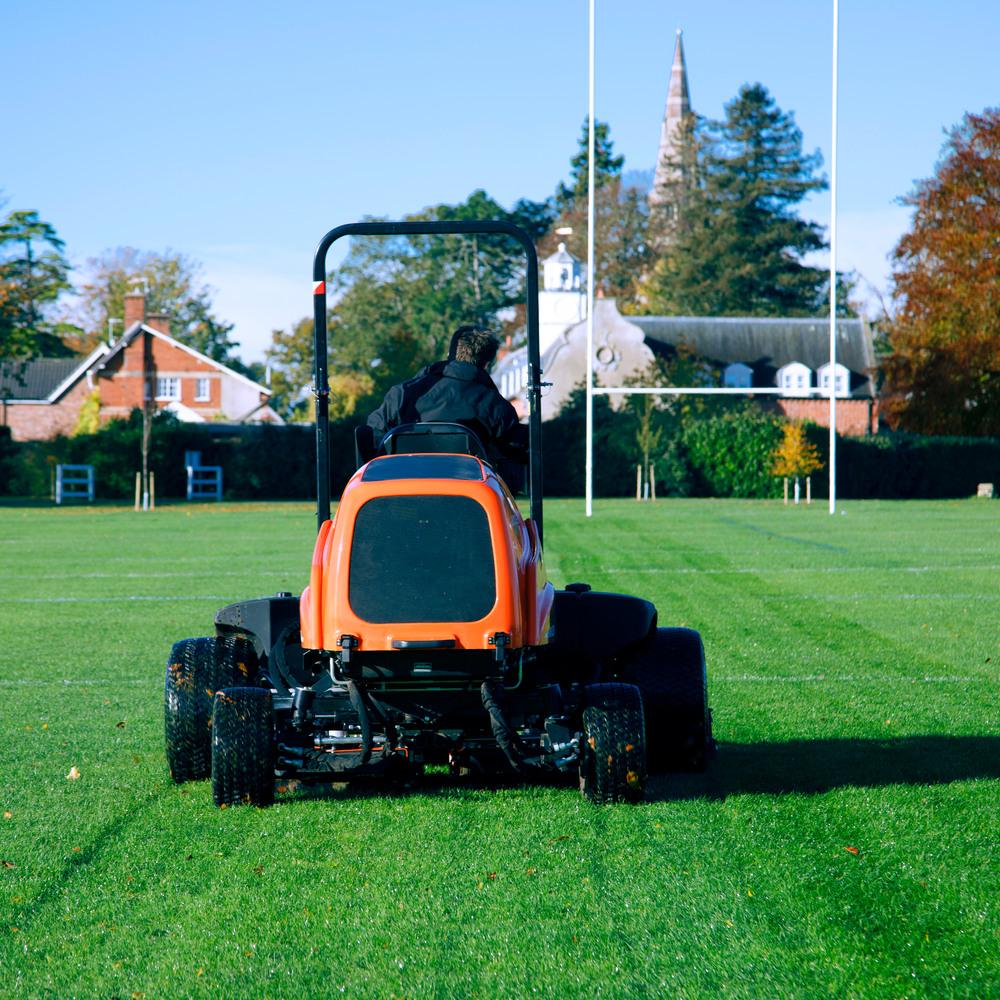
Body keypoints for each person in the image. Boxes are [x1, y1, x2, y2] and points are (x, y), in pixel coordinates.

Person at [366, 325, 528, 466]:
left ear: (449, 354)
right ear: (487, 364)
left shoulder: (402, 394)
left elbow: (372, 435)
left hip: (404, 487)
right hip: (469, 493)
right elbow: (515, 452)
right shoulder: (495, 406)